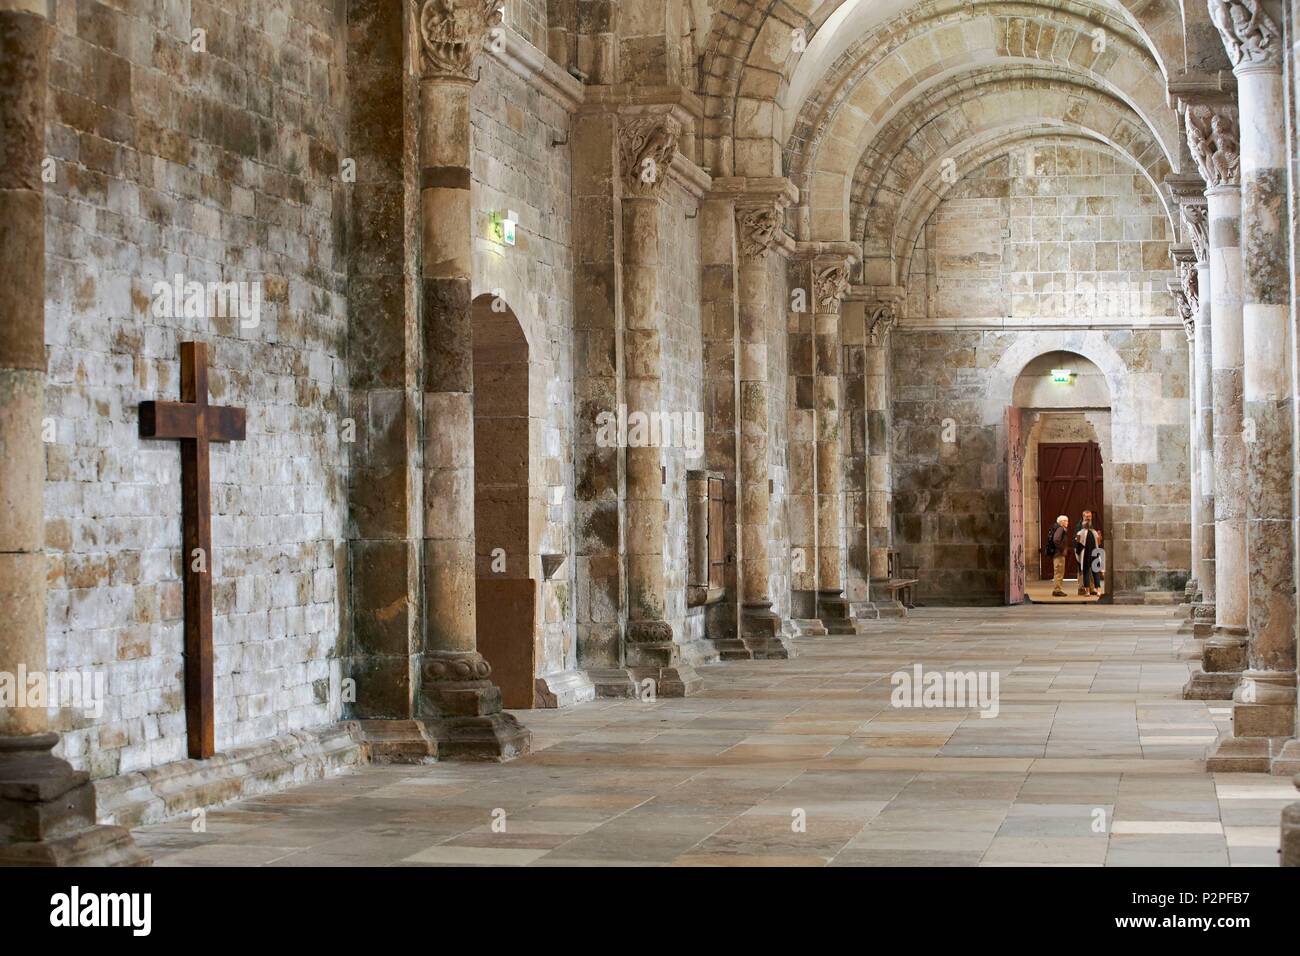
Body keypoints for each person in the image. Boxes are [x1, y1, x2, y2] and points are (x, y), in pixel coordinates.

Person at [1074, 510, 1102, 596]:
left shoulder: (1086, 532)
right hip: (1090, 553)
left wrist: (1077, 553)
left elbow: (1078, 544)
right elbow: (1099, 543)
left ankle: (1092, 591)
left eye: (1090, 516)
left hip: (1089, 553)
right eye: (1087, 517)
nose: (1089, 518)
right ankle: (1093, 591)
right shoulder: (1090, 531)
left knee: (1090, 572)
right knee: (1091, 572)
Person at [1045, 515, 1070, 597]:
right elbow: (1056, 539)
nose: (1067, 523)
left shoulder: (1057, 528)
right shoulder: (1060, 529)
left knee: (1058, 571)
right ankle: (1057, 590)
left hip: (1057, 553)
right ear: (1061, 522)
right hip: (1059, 554)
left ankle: (1057, 589)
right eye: (1066, 521)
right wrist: (1062, 548)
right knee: (1059, 572)